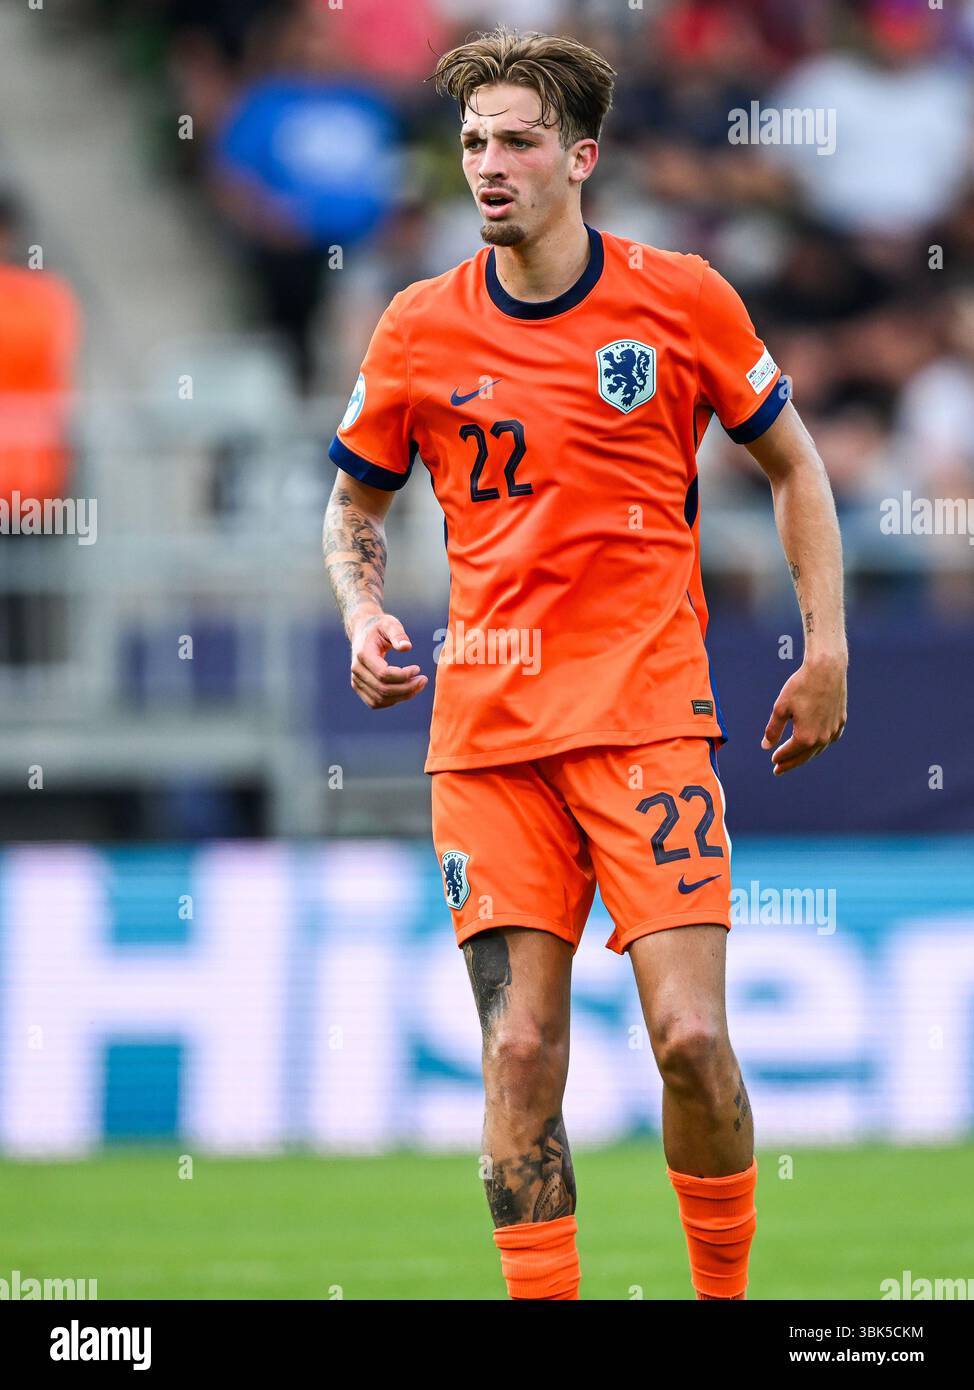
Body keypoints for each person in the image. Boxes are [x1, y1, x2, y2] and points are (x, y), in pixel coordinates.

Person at [322, 26, 847, 1301]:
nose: (486, 166)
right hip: (488, 742)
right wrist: (360, 613)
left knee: (690, 1038)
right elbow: (351, 511)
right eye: (469, 145)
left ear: (579, 157)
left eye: (513, 142)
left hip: (645, 721)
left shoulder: (680, 299)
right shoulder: (417, 330)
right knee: (517, 1052)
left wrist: (823, 643)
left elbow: (792, 463)